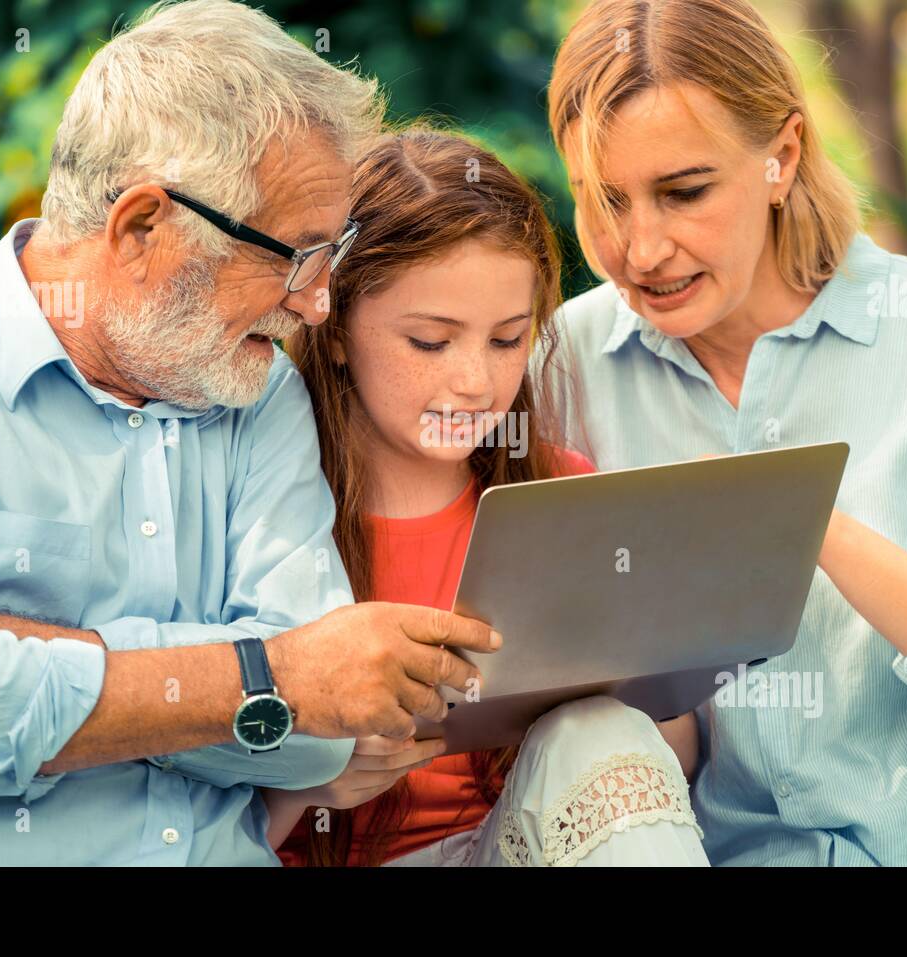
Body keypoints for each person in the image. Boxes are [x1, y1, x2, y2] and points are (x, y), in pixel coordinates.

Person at [0, 0, 500, 865]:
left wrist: (9, 654)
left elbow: (321, 741)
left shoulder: (260, 391)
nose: (317, 303)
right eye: (295, 256)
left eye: (330, 255)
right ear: (142, 227)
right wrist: (271, 675)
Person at [541, 0, 907, 865]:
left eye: (684, 192)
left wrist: (806, 519)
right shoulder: (562, 368)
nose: (641, 248)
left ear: (782, 157)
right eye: (605, 200)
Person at [271, 130, 709, 866]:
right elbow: (188, 826)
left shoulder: (557, 496)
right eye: (430, 342)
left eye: (507, 341)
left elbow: (664, 770)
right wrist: (308, 781)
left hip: (517, 846)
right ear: (336, 326)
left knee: (599, 729)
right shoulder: (262, 511)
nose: (476, 382)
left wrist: (632, 663)